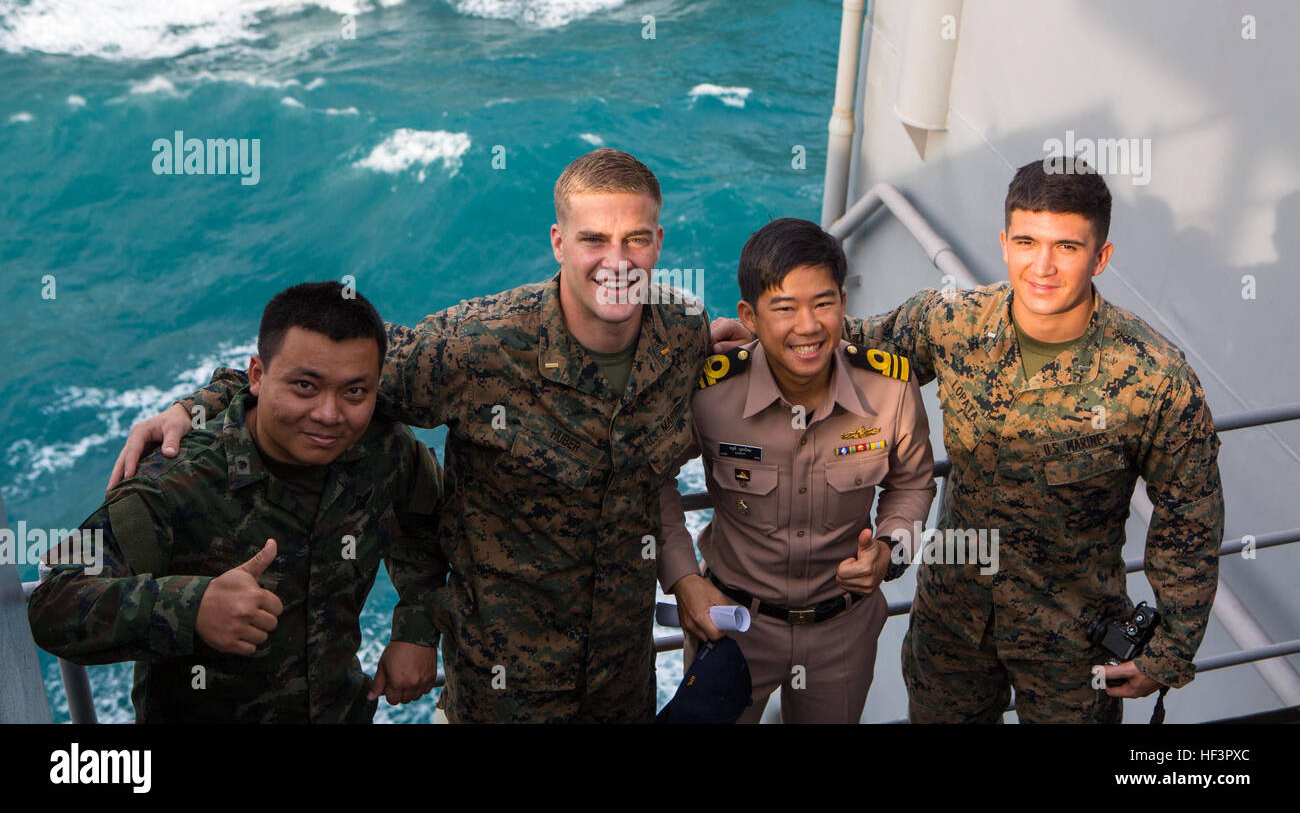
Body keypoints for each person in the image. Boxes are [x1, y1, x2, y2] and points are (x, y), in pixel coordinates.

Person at [107, 149, 710, 723]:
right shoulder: (478, 346)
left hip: (622, 682)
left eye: (635, 238)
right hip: (504, 690)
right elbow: (325, 368)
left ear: (658, 243)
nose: (617, 259)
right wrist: (199, 405)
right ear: (559, 243)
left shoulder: (684, 335)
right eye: (594, 239)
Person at [712, 159, 1225, 723]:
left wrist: (1171, 648)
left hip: (1072, 642)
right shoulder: (951, 324)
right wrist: (752, 339)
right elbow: (840, 343)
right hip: (953, 629)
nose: (1043, 266)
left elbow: (1190, 516)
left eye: (1068, 247)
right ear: (1005, 243)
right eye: (1027, 241)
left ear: (1101, 256)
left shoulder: (1155, 378)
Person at [27, 282, 445, 722]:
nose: (328, 413)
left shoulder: (385, 451)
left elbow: (429, 526)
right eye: (305, 385)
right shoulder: (179, 482)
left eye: (354, 393)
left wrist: (416, 630)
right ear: (258, 376)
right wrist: (193, 607)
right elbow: (57, 600)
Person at [659, 218, 936, 723]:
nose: (808, 326)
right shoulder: (710, 393)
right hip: (732, 628)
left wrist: (891, 551)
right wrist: (683, 580)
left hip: (844, 633)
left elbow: (912, 482)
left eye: (823, 303)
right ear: (750, 315)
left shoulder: (889, 390)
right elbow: (655, 482)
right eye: (784, 308)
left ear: (842, 304)